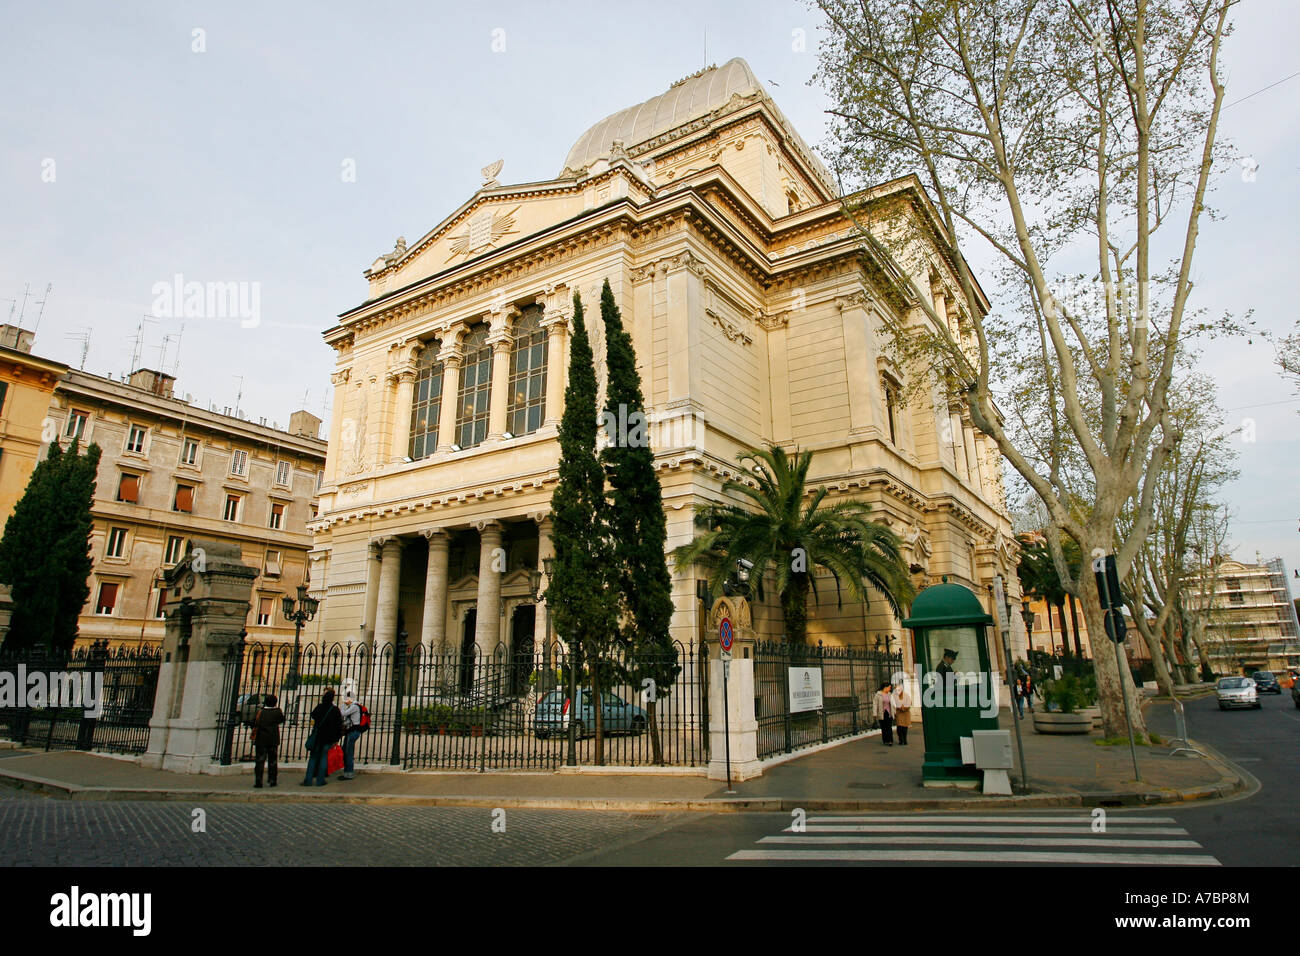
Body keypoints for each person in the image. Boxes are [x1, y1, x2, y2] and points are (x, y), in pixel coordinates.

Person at [302, 689, 344, 787]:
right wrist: (336, 739)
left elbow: (313, 716)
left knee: (313, 758)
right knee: (324, 758)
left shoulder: (319, 707)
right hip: (328, 737)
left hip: (318, 737)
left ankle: (308, 780)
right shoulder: (335, 710)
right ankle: (320, 780)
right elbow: (339, 724)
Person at [251, 694, 285, 788]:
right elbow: (282, 720)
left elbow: (254, 722)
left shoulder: (260, 712)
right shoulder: (277, 711)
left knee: (259, 760)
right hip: (273, 738)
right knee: (273, 760)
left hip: (261, 738)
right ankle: (272, 780)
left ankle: (258, 781)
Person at [339, 691, 363, 780]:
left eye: (346, 698)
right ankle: (346, 771)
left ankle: (349, 773)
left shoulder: (354, 706)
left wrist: (343, 706)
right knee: (345, 750)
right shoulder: (353, 706)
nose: (345, 700)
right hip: (351, 731)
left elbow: (343, 713)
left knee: (348, 752)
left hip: (353, 731)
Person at [873, 681, 894, 746]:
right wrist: (875, 713)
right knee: (884, 727)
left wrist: (894, 712)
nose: (890, 689)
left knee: (889, 727)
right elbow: (875, 704)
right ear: (885, 687)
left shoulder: (890, 694)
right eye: (889, 687)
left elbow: (893, 704)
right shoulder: (878, 695)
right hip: (882, 713)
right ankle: (885, 740)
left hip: (889, 713)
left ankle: (890, 740)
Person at [891, 679, 912, 746]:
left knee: (905, 727)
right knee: (899, 727)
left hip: (905, 713)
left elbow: (909, 702)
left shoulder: (906, 695)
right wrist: (899, 707)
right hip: (899, 713)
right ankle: (900, 739)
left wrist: (904, 708)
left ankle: (905, 739)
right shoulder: (894, 696)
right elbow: (893, 703)